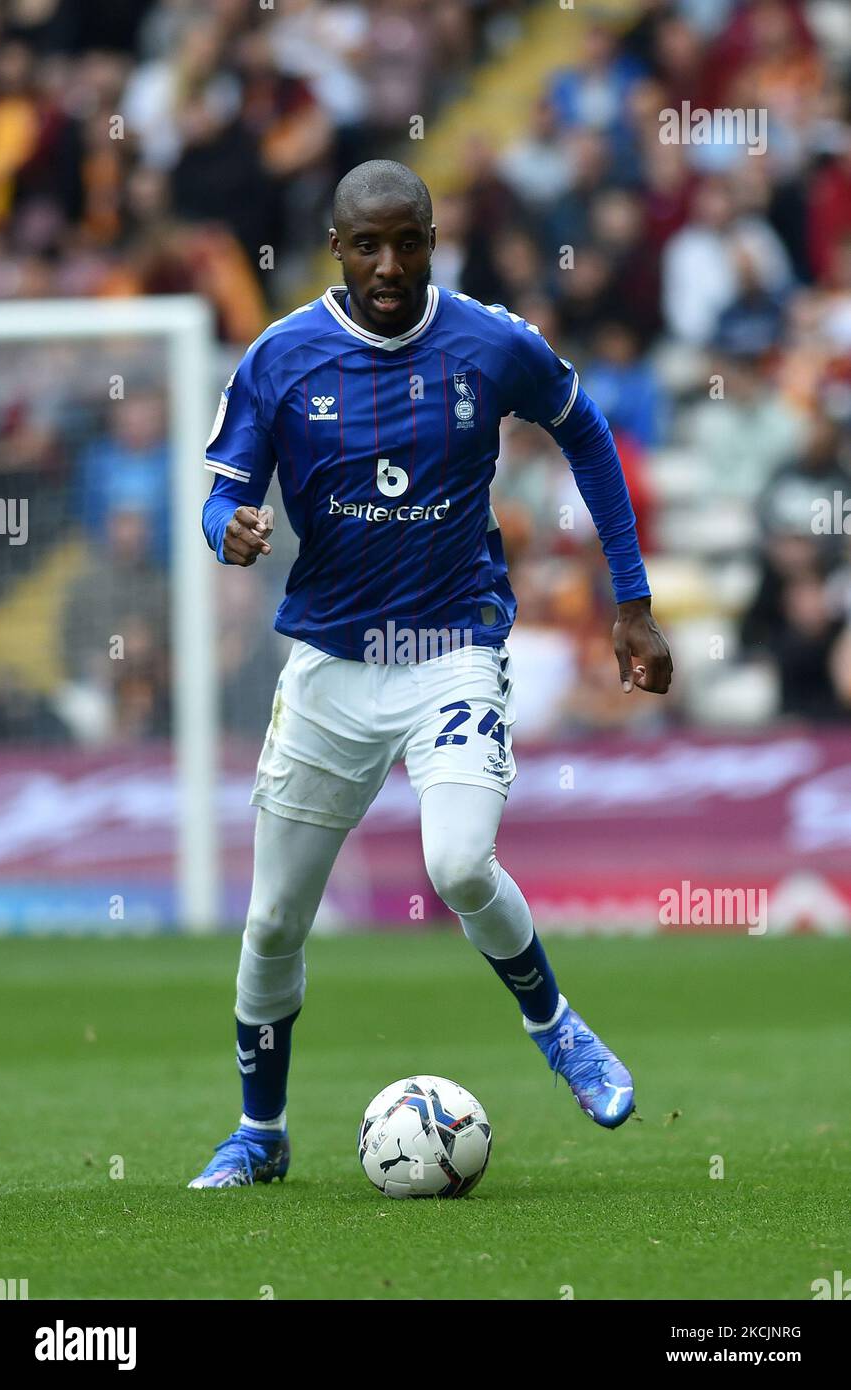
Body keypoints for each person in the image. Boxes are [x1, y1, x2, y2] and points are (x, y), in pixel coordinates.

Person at [190, 160, 672, 1188]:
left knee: (457, 863)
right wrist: (223, 528)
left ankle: (554, 1023)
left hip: (450, 649)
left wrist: (628, 600)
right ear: (336, 248)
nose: (388, 264)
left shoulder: (488, 342)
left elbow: (583, 430)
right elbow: (222, 490)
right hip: (327, 661)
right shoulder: (279, 357)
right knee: (275, 919)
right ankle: (259, 1132)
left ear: (432, 238)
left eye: (407, 241)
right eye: (367, 244)